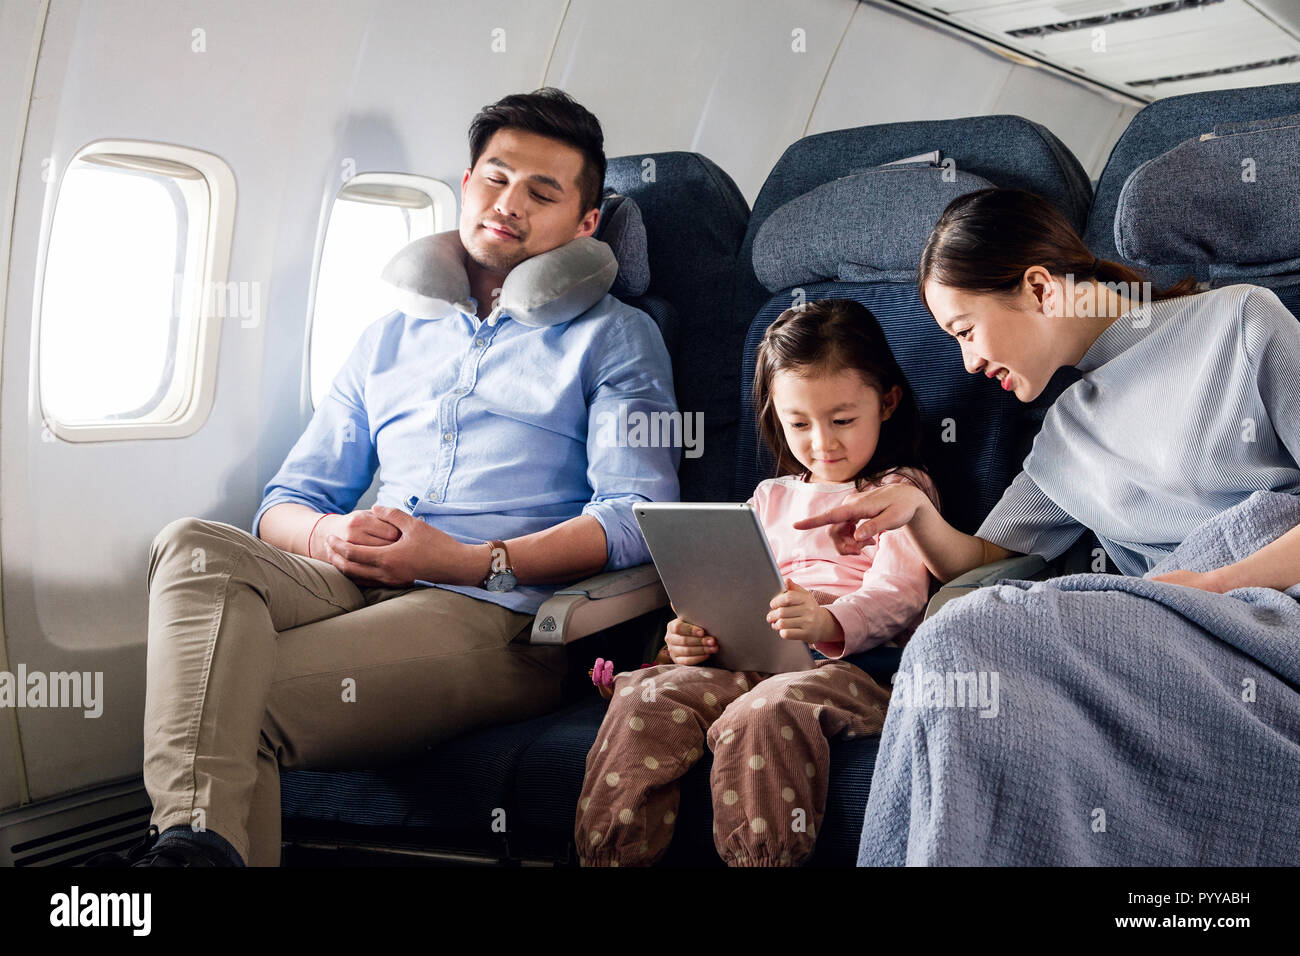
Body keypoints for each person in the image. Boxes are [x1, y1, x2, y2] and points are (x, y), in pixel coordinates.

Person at [89, 88, 680, 867]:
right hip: (356, 579)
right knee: (194, 545)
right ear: (466, 184)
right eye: (495, 179)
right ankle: (196, 853)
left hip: (497, 615)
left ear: (585, 224)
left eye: (543, 192)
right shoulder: (389, 336)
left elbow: (636, 514)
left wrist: (463, 560)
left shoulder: (617, 337)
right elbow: (285, 503)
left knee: (230, 710)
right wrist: (330, 534)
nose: (509, 205)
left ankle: (189, 853)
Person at [795, 186, 1300, 610]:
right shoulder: (1064, 435)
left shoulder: (1239, 321)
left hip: (1267, 604)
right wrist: (916, 512)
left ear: (1040, 289)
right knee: (963, 629)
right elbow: (987, 564)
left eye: (966, 330)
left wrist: (1213, 586)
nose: (968, 362)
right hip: (1167, 622)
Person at [573, 299, 943, 866]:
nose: (822, 443)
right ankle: (613, 857)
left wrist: (829, 621)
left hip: (851, 670)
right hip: (744, 661)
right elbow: (726, 585)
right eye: (799, 424)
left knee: (764, 712)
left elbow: (900, 595)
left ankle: (763, 859)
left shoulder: (899, 490)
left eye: (842, 420)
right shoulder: (769, 498)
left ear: (886, 402)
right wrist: (691, 636)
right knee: (647, 696)